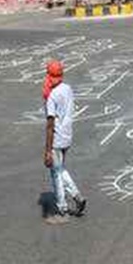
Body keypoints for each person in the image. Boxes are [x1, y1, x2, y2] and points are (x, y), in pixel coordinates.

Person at [43, 60, 86, 221]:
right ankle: (76, 196)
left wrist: (47, 149)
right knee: (60, 169)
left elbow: (50, 124)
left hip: (56, 138)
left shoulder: (52, 96)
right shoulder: (67, 89)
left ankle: (62, 208)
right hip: (67, 135)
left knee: (55, 173)